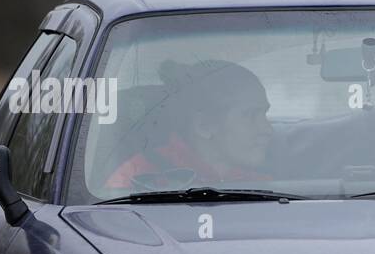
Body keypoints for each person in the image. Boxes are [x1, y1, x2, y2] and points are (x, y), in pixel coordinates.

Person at [104, 59, 275, 190]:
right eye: (250, 116)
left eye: (264, 115)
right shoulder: (135, 177)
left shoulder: (266, 185)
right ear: (204, 126)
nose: (268, 129)